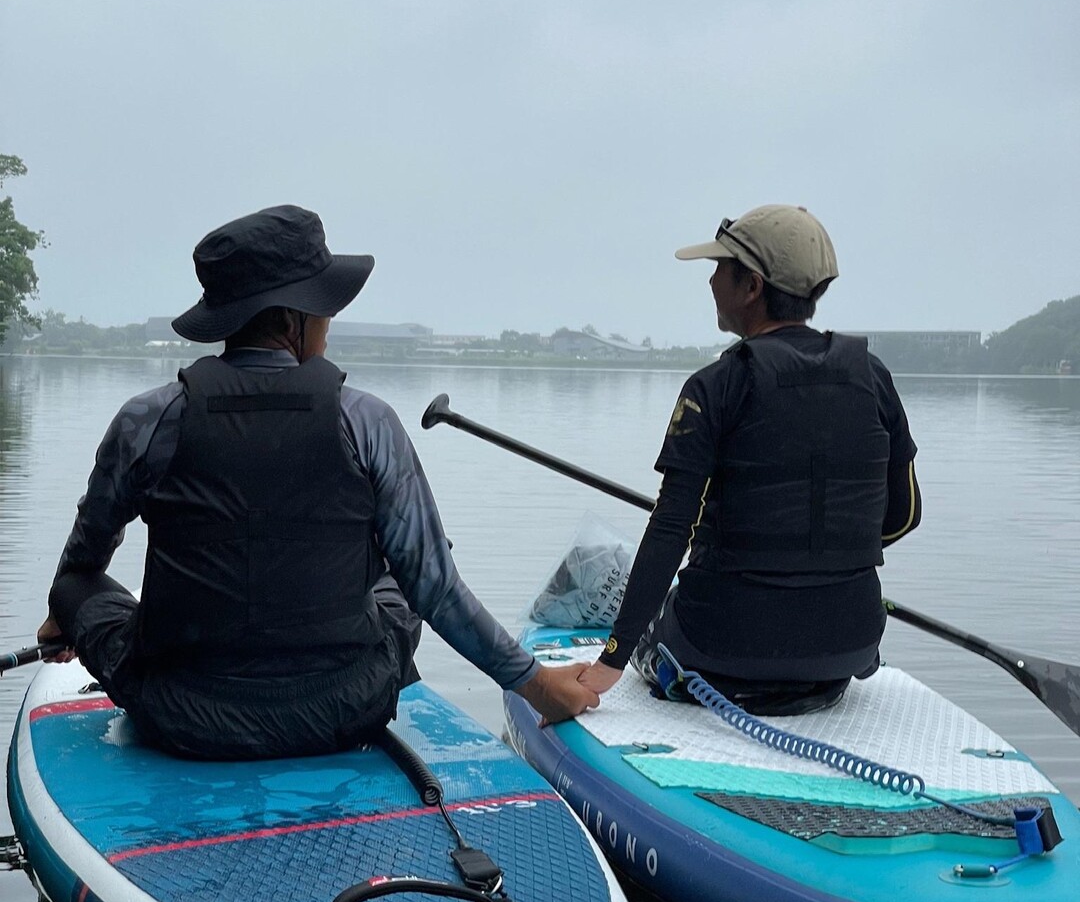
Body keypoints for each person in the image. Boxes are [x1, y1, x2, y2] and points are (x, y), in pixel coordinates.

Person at [39, 204, 598, 758]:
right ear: (290, 320)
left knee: (73, 586)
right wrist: (537, 686)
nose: (329, 327)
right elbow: (435, 587)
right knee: (411, 568)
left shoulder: (147, 419)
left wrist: (61, 615)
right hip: (345, 709)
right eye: (325, 309)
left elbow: (88, 553)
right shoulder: (367, 421)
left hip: (180, 713)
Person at [578, 203, 921, 716]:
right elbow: (903, 516)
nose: (711, 281)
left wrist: (612, 658)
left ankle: (676, 673)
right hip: (850, 645)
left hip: (722, 645)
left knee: (664, 617)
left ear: (752, 287)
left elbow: (671, 529)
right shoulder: (872, 376)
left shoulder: (716, 386)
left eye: (719, 268)